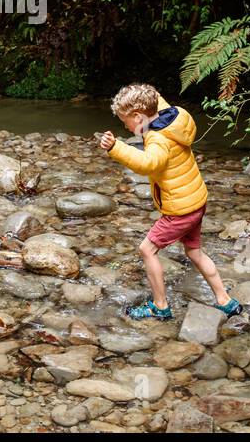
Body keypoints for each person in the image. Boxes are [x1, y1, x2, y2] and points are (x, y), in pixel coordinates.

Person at [98, 83, 241, 321]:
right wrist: (140, 92)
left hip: (180, 210)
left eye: (126, 121)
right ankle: (226, 301)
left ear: (138, 116)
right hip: (196, 201)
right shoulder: (175, 118)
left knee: (147, 249)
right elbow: (154, 99)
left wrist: (116, 147)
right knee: (194, 252)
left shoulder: (157, 138)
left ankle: (160, 306)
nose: (125, 126)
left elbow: (148, 164)